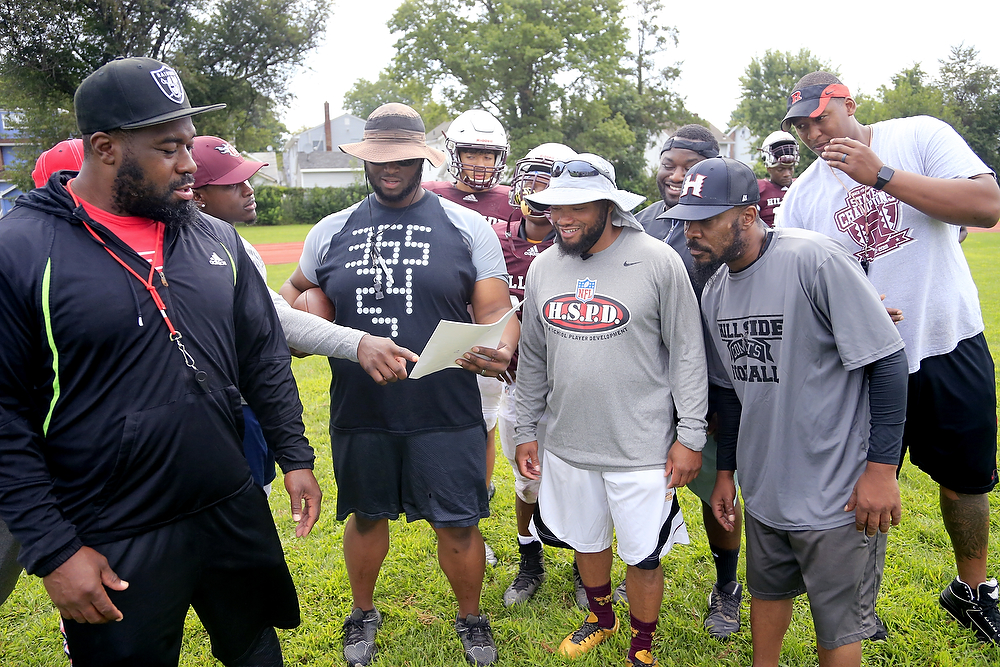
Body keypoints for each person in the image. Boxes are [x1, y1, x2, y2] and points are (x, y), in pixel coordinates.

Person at [0, 57, 322, 666]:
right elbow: (5, 416)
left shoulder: (213, 237)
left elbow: (261, 355)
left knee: (256, 647)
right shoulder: (20, 252)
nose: (189, 164)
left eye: (189, 143)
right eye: (170, 147)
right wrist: (52, 551)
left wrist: (295, 455)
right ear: (106, 148)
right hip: (114, 526)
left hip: (230, 500)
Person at [280, 103, 517, 667]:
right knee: (365, 513)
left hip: (445, 399)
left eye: (403, 158)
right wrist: (305, 328)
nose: (390, 168)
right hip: (363, 405)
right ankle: (362, 612)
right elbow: (290, 301)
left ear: (422, 157)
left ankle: (470, 616)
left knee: (458, 522)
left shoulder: (468, 227)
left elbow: (496, 309)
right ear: (365, 158)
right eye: (379, 157)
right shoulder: (330, 230)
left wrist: (501, 348)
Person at [777, 72, 1000, 643]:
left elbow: (985, 205)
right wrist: (849, 304)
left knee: (967, 481)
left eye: (819, 118)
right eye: (800, 125)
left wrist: (880, 175)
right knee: (860, 488)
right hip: (865, 363)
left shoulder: (918, 135)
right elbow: (792, 281)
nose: (811, 133)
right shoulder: (803, 195)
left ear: (848, 104)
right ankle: (858, 610)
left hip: (947, 340)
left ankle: (971, 590)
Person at [672, 156, 908, 667]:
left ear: (748, 214)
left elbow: (887, 362)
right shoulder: (714, 292)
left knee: (837, 625)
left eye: (706, 220)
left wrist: (881, 471)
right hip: (765, 490)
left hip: (837, 492)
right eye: (687, 220)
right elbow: (731, 395)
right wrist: (727, 475)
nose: (692, 233)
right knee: (766, 593)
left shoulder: (814, 259)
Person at [515, 153, 708, 667]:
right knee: (587, 540)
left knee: (643, 554)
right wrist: (525, 429)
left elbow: (688, 351)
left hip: (642, 446)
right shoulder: (543, 266)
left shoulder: (656, 261)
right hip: (568, 441)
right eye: (555, 207)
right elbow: (533, 355)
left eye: (577, 206)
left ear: (608, 205)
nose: (563, 218)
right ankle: (602, 618)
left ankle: (642, 644)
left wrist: (690, 436)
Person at [192, 135, 417, 491]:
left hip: (242, 405)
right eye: (233, 184)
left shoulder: (235, 245)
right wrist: (357, 342)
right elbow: (278, 319)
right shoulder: (199, 248)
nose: (249, 190)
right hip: (209, 414)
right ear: (197, 194)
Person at [634, 124, 746, 639]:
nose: (677, 176)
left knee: (715, 491)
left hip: (707, 385)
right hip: (643, 386)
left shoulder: (721, 222)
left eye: (689, 167)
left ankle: (727, 588)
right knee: (642, 487)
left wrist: (714, 396)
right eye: (669, 164)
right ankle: (640, 570)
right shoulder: (638, 225)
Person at [425, 109, 518, 562]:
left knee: (483, 421)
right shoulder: (427, 195)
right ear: (453, 153)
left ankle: (474, 508)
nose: (481, 163)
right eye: (472, 153)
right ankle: (448, 505)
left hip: (489, 325)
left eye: (489, 154)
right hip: (433, 325)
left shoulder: (514, 200)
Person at [490, 141, 577, 607]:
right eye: (533, 178)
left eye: (550, 180)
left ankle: (588, 564)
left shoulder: (579, 240)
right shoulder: (497, 242)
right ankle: (530, 558)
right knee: (527, 480)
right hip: (520, 383)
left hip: (575, 383)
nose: (538, 190)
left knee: (583, 478)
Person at [756, 130, 798, 227]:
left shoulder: (800, 185)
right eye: (780, 169)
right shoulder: (760, 189)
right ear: (769, 169)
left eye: (790, 168)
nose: (787, 174)